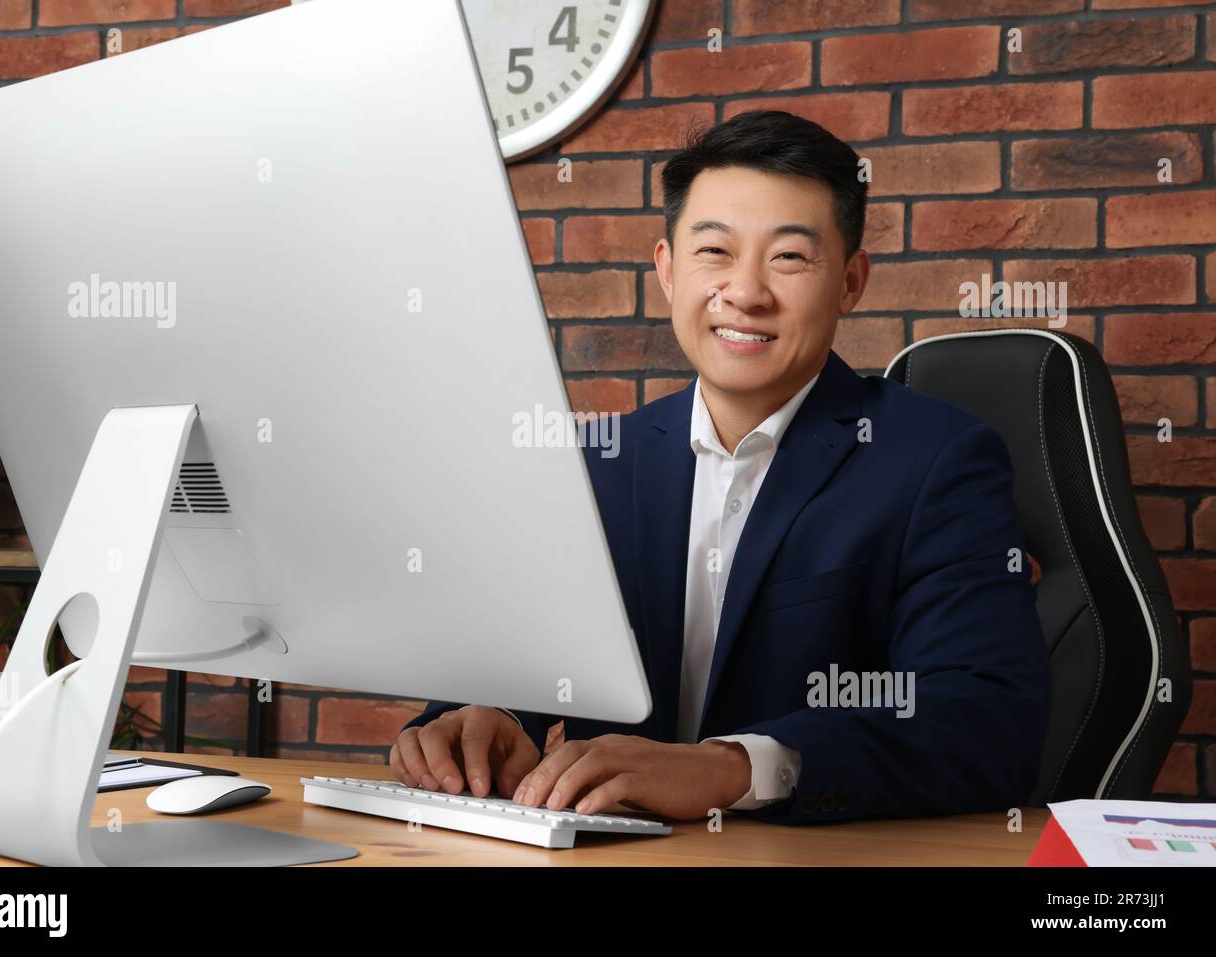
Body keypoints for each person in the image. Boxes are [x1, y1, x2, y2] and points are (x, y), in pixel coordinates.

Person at [390, 110, 1052, 824]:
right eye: (714, 251)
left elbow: (984, 727)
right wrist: (475, 725)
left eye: (790, 258)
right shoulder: (596, 465)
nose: (745, 292)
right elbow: (504, 679)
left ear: (852, 281)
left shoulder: (936, 461)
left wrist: (727, 769)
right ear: (669, 272)